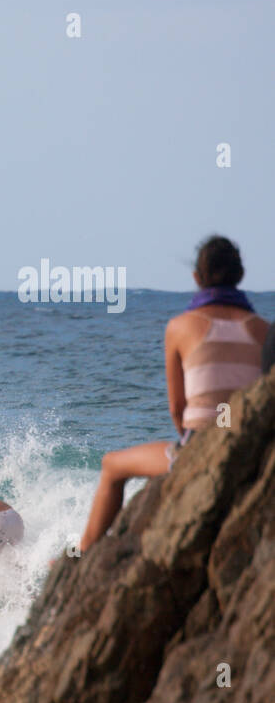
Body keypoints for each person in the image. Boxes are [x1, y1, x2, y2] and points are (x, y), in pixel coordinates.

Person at [75, 236, 268, 555]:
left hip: (200, 450)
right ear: (241, 275)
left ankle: (82, 555)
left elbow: (178, 410)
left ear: (197, 278)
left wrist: (195, 448)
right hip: (250, 451)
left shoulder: (180, 326)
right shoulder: (264, 329)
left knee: (111, 465)